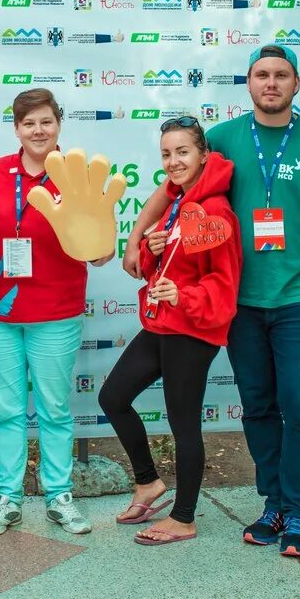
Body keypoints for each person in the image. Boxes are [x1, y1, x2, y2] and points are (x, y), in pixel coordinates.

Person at [124, 44, 300, 559]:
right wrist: (136, 237)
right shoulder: (224, 138)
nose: (271, 83)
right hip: (241, 303)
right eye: (261, 75)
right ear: (249, 84)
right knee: (259, 406)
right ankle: (272, 502)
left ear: (297, 85)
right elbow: (170, 187)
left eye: (281, 75)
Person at [0, 90, 105, 537]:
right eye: (29, 124)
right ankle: (7, 499)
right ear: (16, 128)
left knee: (54, 408)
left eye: (46, 122)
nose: (38, 131)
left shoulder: (77, 175)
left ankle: (58, 496)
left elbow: (101, 246)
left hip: (56, 311)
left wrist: (98, 247)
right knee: (6, 410)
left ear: (59, 124)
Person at [99, 116, 241, 545]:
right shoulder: (176, 201)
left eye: (182, 152)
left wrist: (183, 296)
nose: (174, 161)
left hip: (192, 332)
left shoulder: (216, 210)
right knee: (112, 397)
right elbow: (158, 266)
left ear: (202, 154)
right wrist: (149, 248)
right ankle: (148, 482)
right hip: (162, 325)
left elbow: (224, 284)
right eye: (166, 154)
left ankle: (184, 518)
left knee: (183, 425)